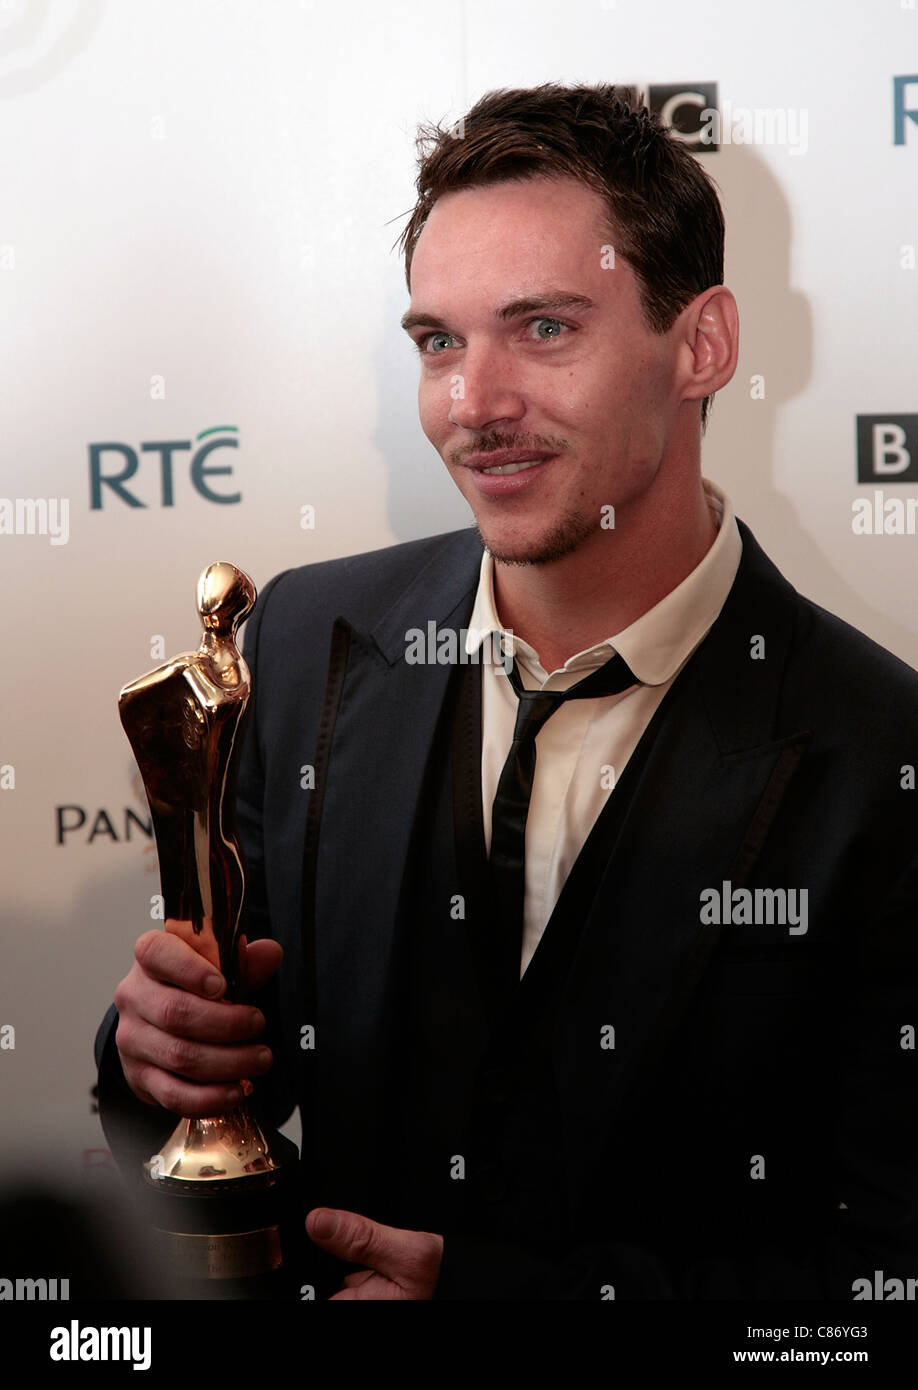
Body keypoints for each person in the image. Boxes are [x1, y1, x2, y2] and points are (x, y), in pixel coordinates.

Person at [96, 83, 918, 1300]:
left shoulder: (878, 751)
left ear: (702, 345)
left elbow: (886, 1279)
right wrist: (157, 1056)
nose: (471, 406)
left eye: (543, 329)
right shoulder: (308, 641)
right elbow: (210, 1116)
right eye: (439, 341)